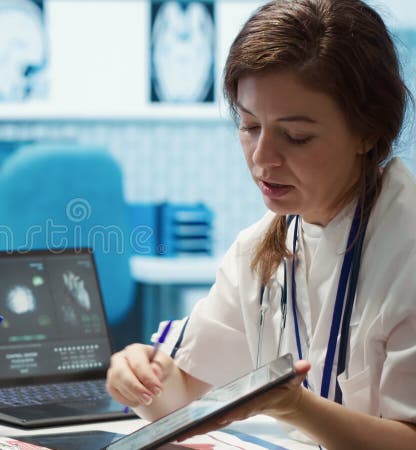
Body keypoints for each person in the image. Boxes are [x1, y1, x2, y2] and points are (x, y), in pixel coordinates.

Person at [106, 0, 416, 448]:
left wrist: (295, 406)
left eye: (296, 136)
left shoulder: (405, 247)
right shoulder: (263, 248)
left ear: (367, 132)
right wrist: (139, 375)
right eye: (250, 126)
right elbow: (180, 396)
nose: (262, 158)